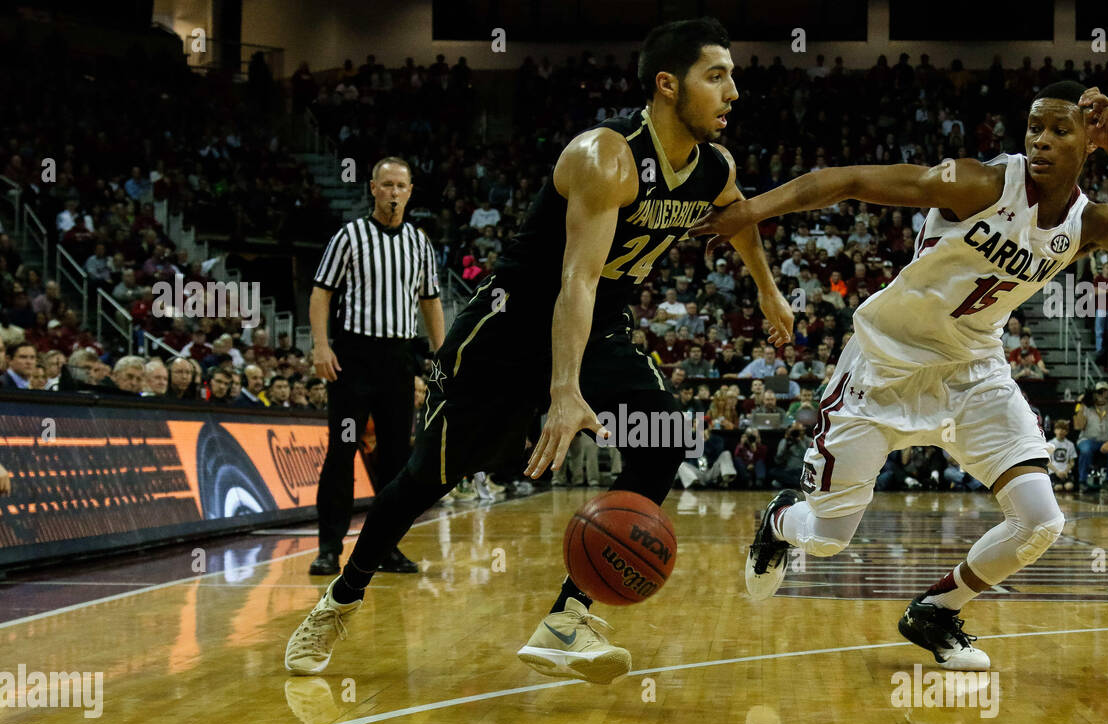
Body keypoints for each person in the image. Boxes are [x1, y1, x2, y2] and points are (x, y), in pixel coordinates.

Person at [286, 18, 792, 684]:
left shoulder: (712, 168)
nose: (733, 93)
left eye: (732, 77)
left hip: (600, 324)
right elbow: (574, 280)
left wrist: (768, 292)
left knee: (665, 437)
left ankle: (565, 621)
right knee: (424, 481)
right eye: (717, 76)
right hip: (511, 328)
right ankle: (340, 598)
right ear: (668, 85)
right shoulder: (606, 155)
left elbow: (741, 218)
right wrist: (563, 389)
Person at [693, 80, 1108, 670]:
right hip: (885, 364)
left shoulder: (1088, 223)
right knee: (827, 537)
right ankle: (780, 520)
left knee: (1039, 523)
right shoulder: (978, 183)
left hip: (972, 370)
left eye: (1060, 130)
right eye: (1035, 127)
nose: (1042, 140)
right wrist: (749, 211)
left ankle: (936, 609)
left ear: (1089, 141)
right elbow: (850, 180)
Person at [306, 156, 445, 577]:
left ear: (410, 191)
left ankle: (385, 548)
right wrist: (320, 346)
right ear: (372, 189)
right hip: (354, 357)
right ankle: (329, 548)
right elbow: (321, 293)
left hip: (399, 360)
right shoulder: (349, 236)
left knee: (397, 461)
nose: (393, 193)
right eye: (386, 185)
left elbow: (431, 302)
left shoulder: (419, 243)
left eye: (400, 186)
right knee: (341, 452)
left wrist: (441, 357)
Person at [1074, 382, 1108, 490]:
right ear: (1094, 394)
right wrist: (1081, 405)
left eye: (1104, 392)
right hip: (1087, 439)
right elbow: (1079, 426)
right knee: (1085, 450)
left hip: (1105, 441)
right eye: (1099, 392)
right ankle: (1082, 481)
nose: (1102, 395)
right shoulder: (1087, 408)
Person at [1046, 419, 1077, 493]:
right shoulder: (1050, 443)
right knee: (1058, 487)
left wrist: (1066, 471)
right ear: (1054, 430)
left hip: (1066, 472)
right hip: (1054, 472)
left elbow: (1072, 462)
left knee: (1069, 486)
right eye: (1058, 428)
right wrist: (1057, 471)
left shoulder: (1070, 444)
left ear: (1067, 432)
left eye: (1063, 429)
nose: (1060, 431)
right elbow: (1047, 462)